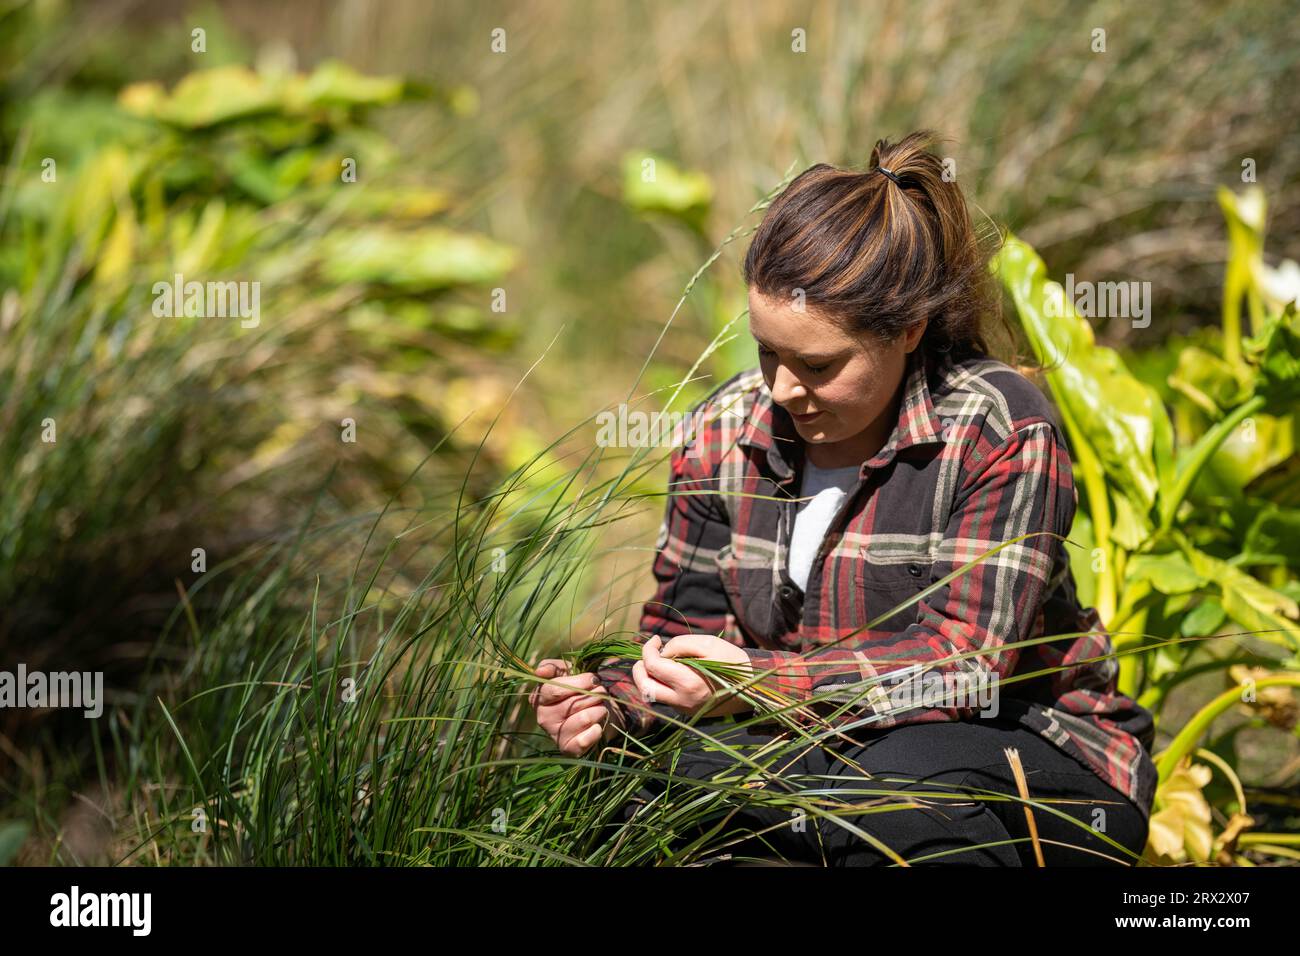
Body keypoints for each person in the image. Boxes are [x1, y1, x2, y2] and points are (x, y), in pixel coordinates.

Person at [530, 130, 1158, 866]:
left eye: (818, 364)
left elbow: (963, 667)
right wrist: (611, 702)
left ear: (909, 329)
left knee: (894, 792)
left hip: (1029, 753)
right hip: (814, 755)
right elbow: (680, 630)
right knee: (656, 792)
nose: (782, 387)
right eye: (767, 352)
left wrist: (756, 690)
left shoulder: (999, 429)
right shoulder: (721, 432)